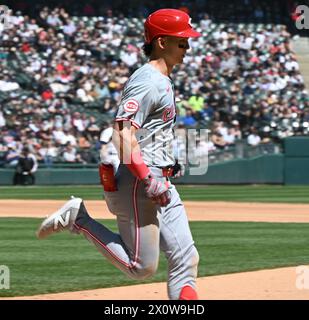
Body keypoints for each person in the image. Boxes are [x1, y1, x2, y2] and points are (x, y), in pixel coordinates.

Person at [36, 9, 200, 300]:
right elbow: (121, 132)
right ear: (161, 42)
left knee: (186, 259)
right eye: (182, 42)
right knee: (141, 267)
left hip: (161, 182)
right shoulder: (148, 80)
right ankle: (79, 219)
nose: (187, 48)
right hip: (141, 182)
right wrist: (148, 177)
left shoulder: (162, 79)